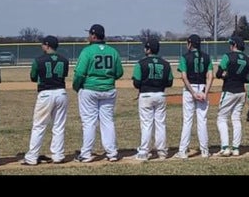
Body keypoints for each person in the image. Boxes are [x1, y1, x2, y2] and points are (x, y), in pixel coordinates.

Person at [72, 24, 124, 162]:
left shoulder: (87, 51)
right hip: (108, 89)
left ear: (94, 36)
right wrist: (107, 79)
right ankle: (112, 153)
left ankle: (86, 154)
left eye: (89, 34)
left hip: (90, 89)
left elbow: (79, 73)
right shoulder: (113, 51)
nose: (88, 36)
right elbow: (119, 72)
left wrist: (77, 87)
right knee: (107, 121)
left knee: (89, 122)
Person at [21, 35, 70, 166]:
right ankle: (58, 155)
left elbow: (33, 77)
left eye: (43, 44)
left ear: (47, 45)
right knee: (58, 126)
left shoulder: (39, 60)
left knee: (39, 126)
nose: (42, 46)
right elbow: (64, 75)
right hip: (61, 92)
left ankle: (32, 157)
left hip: (45, 93)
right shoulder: (64, 60)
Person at [131, 38, 174, 160]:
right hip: (160, 94)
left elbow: (136, 83)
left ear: (148, 49)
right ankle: (162, 151)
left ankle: (144, 151)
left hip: (145, 95)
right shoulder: (165, 64)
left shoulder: (141, 63)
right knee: (160, 124)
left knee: (146, 124)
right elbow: (170, 82)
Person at [175, 34, 214, 159]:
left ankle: (183, 151)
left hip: (189, 89)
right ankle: (205, 151)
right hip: (202, 87)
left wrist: (192, 92)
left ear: (190, 43)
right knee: (202, 120)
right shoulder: (207, 57)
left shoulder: (185, 57)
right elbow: (210, 76)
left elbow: (183, 76)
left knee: (187, 120)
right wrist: (205, 92)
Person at [215, 36, 249, 157]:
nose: (230, 46)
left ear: (234, 45)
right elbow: (248, 78)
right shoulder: (247, 59)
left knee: (222, 118)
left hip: (229, 90)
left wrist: (226, 75)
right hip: (241, 90)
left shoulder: (228, 56)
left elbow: (219, 73)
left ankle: (225, 147)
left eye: (231, 44)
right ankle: (236, 148)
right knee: (236, 119)